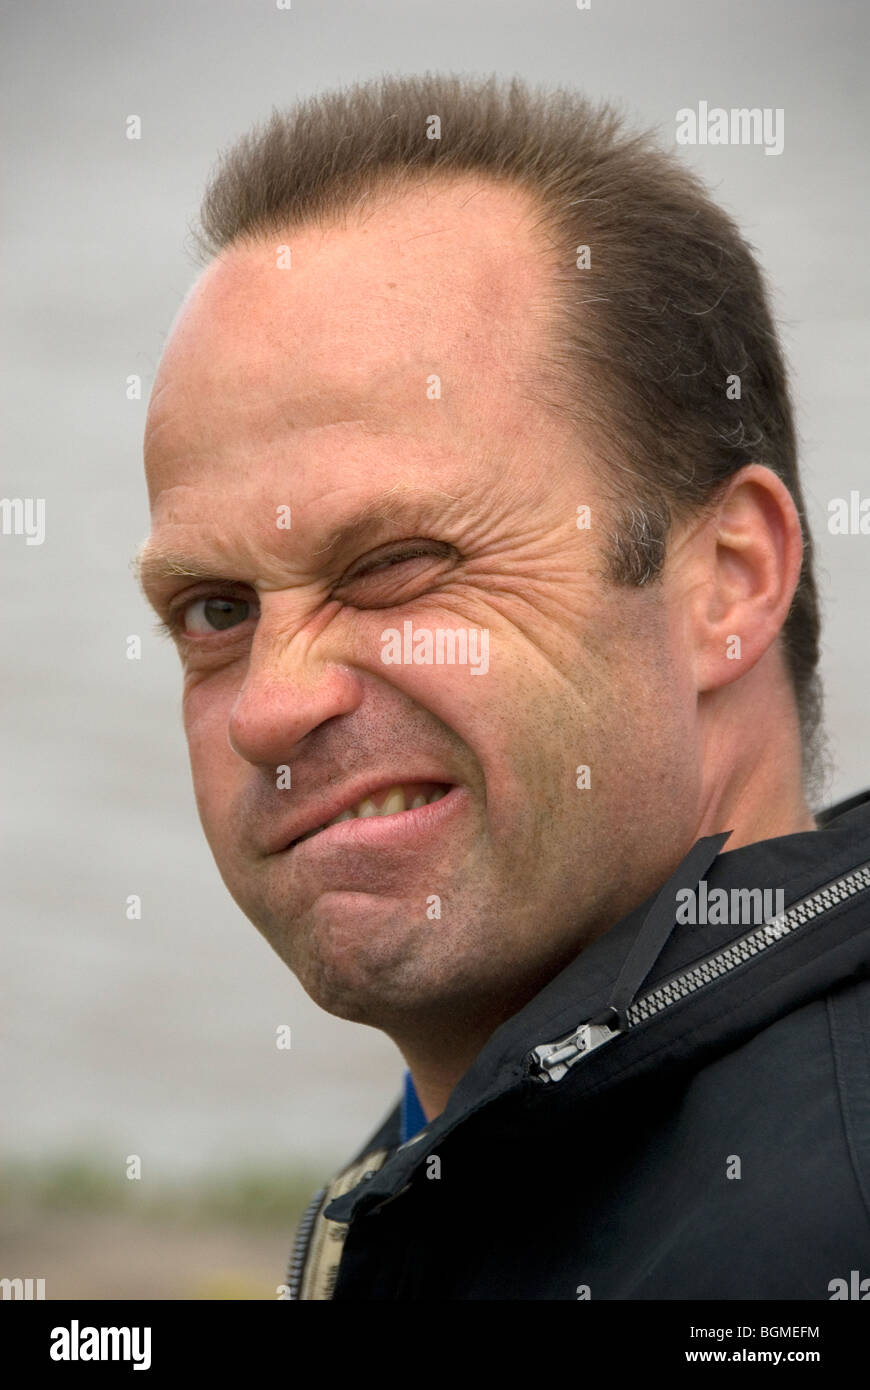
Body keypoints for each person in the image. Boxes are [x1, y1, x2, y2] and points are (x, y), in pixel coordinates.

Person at [138, 74, 870, 1299]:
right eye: (215, 610)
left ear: (728, 584)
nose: (269, 706)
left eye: (391, 567)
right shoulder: (509, 1146)